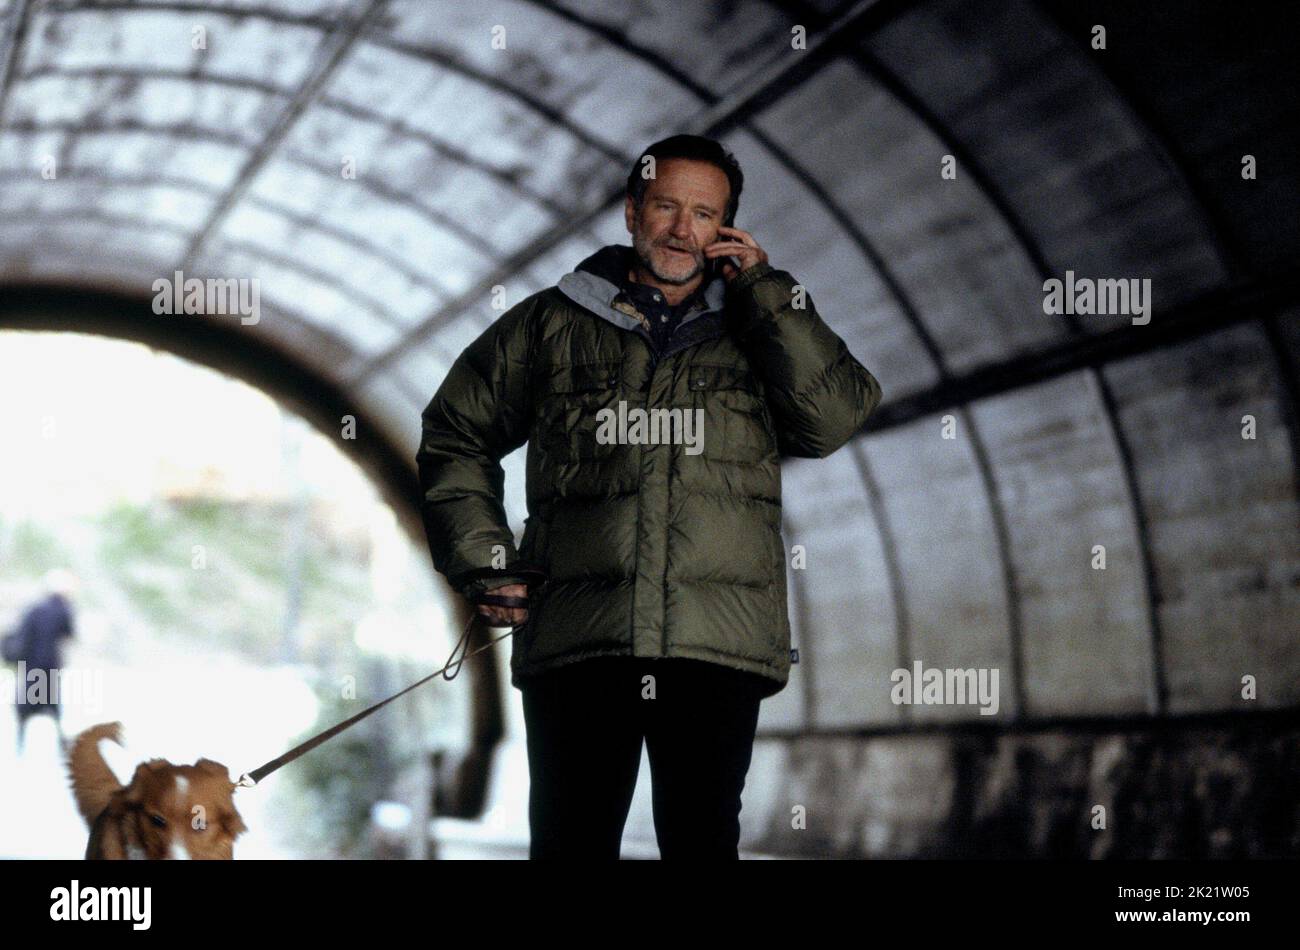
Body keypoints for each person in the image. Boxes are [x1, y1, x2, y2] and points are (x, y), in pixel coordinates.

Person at [417, 134, 882, 859]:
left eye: (704, 213)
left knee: (701, 847)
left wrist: (767, 292)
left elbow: (832, 420)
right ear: (633, 210)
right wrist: (486, 560)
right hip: (581, 637)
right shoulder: (548, 324)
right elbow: (456, 432)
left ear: (726, 228)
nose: (681, 228)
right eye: (665, 205)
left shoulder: (760, 328)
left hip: (714, 643)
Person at [11, 568, 79, 755]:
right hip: (51, 665)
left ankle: (20, 744)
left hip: (31, 664)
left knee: (27, 705)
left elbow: (22, 635)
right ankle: (61, 744)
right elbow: (70, 634)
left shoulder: (34, 609)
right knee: (52, 703)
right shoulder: (64, 610)